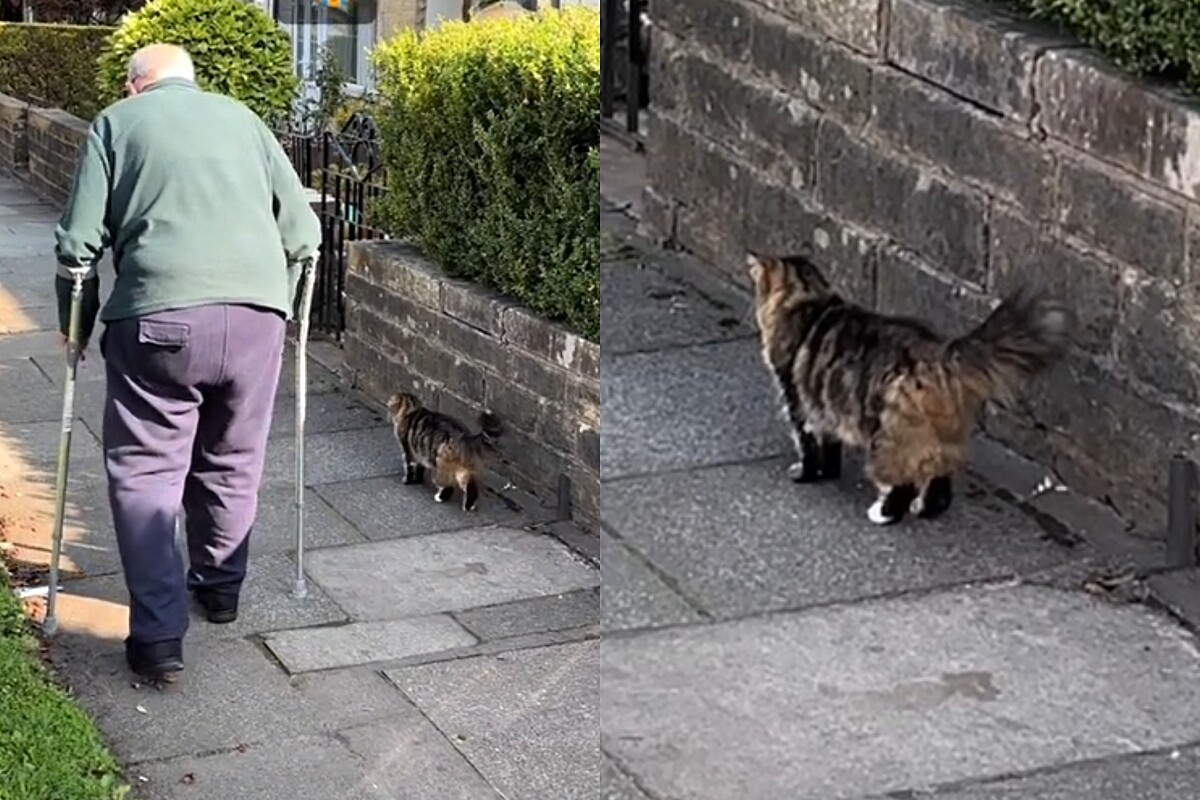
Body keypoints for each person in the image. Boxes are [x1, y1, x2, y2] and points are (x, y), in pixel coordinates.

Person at [54, 43, 322, 683]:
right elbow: (305, 235)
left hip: (159, 320)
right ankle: (221, 590)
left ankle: (158, 639)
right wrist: (284, 309)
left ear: (134, 84)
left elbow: (78, 246)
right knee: (233, 457)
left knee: (147, 473)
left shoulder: (116, 123)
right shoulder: (244, 119)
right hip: (256, 320)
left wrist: (75, 326)